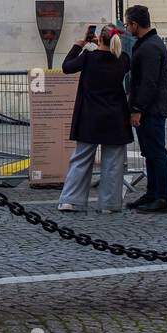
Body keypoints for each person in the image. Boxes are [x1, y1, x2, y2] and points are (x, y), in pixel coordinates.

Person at [57, 25, 132, 214]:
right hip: (115, 117)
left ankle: (71, 201)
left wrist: (80, 43)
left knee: (81, 159)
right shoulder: (123, 60)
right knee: (113, 164)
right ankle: (110, 204)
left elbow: (67, 67)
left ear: (99, 38)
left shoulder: (89, 58)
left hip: (89, 115)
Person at [124, 5, 167, 213]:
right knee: (150, 154)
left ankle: (162, 198)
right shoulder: (147, 43)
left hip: (151, 110)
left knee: (157, 154)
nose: (126, 28)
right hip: (149, 109)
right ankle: (153, 193)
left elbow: (149, 83)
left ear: (135, 24)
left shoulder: (150, 47)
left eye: (127, 24)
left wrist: (137, 109)